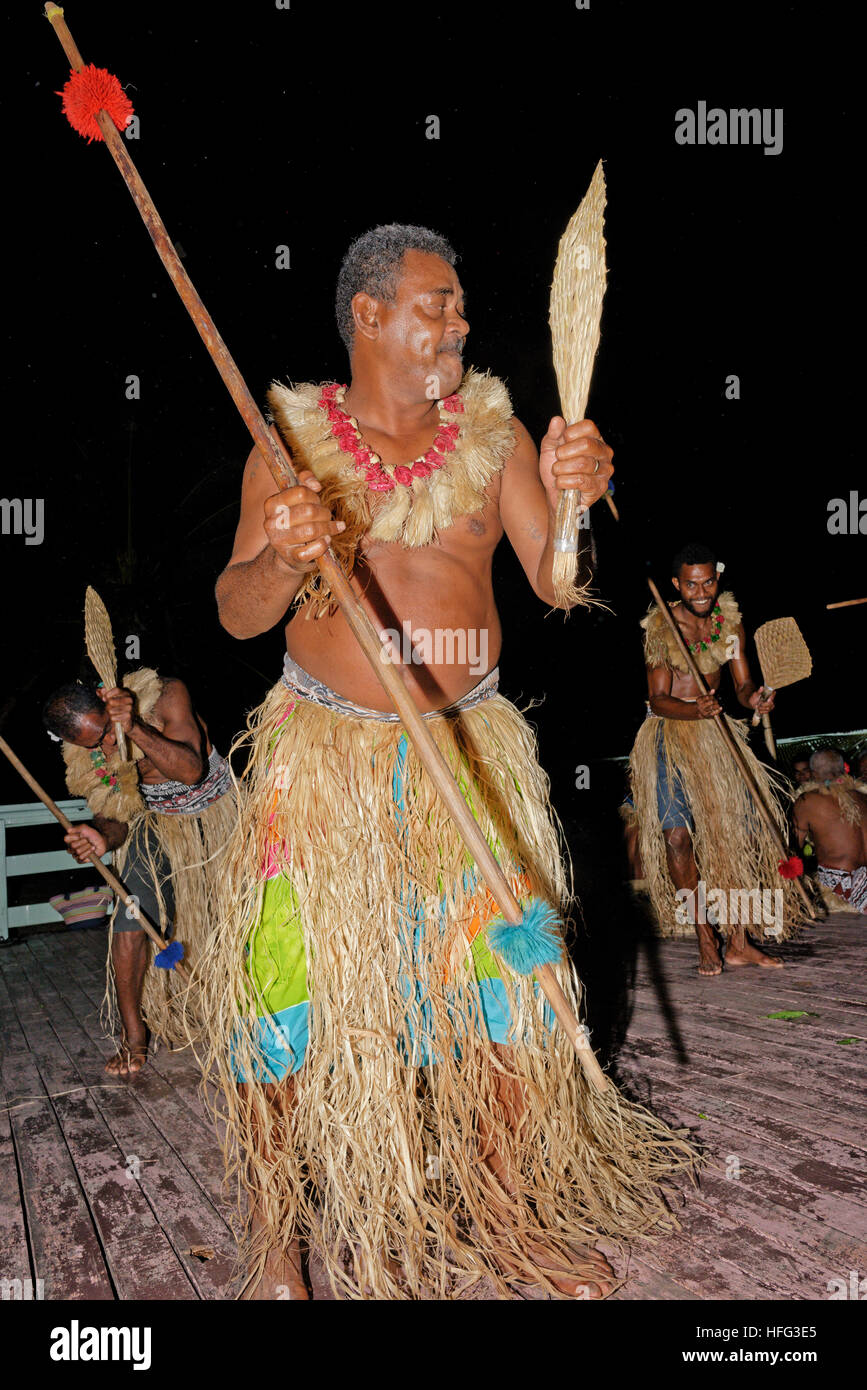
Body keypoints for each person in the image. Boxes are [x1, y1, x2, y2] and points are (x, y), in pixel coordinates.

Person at [200, 223, 693, 1302]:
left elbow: (560, 583)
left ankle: (510, 1222)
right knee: (285, 1001)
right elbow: (238, 614)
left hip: (466, 751)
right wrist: (284, 555)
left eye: (462, 307)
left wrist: (574, 497)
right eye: (437, 303)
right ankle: (274, 1244)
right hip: (320, 756)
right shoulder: (283, 447)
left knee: (510, 985)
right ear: (368, 315)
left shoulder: (497, 433)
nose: (460, 323)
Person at [44, 672, 235, 1074]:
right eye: (93, 744)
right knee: (128, 920)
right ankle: (134, 1040)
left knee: (236, 920)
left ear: (104, 698)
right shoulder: (88, 752)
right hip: (156, 823)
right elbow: (115, 819)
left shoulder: (166, 694)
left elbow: (191, 770)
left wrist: (134, 727)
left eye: (105, 732)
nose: (107, 745)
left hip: (217, 814)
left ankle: (239, 1014)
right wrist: (100, 838)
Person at [629, 543, 804, 976]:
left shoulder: (730, 627)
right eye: (691, 583)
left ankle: (739, 942)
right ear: (677, 585)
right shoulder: (660, 628)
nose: (701, 590)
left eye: (708, 581)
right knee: (678, 839)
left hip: (716, 735)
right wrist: (695, 710)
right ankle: (706, 937)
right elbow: (659, 699)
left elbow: (742, 687)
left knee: (731, 838)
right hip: (669, 734)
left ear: (716, 579)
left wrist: (756, 699)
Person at [793, 749, 867, 914]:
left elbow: (793, 851)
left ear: (813, 773)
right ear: (844, 769)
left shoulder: (807, 801)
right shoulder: (864, 797)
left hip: (840, 891)